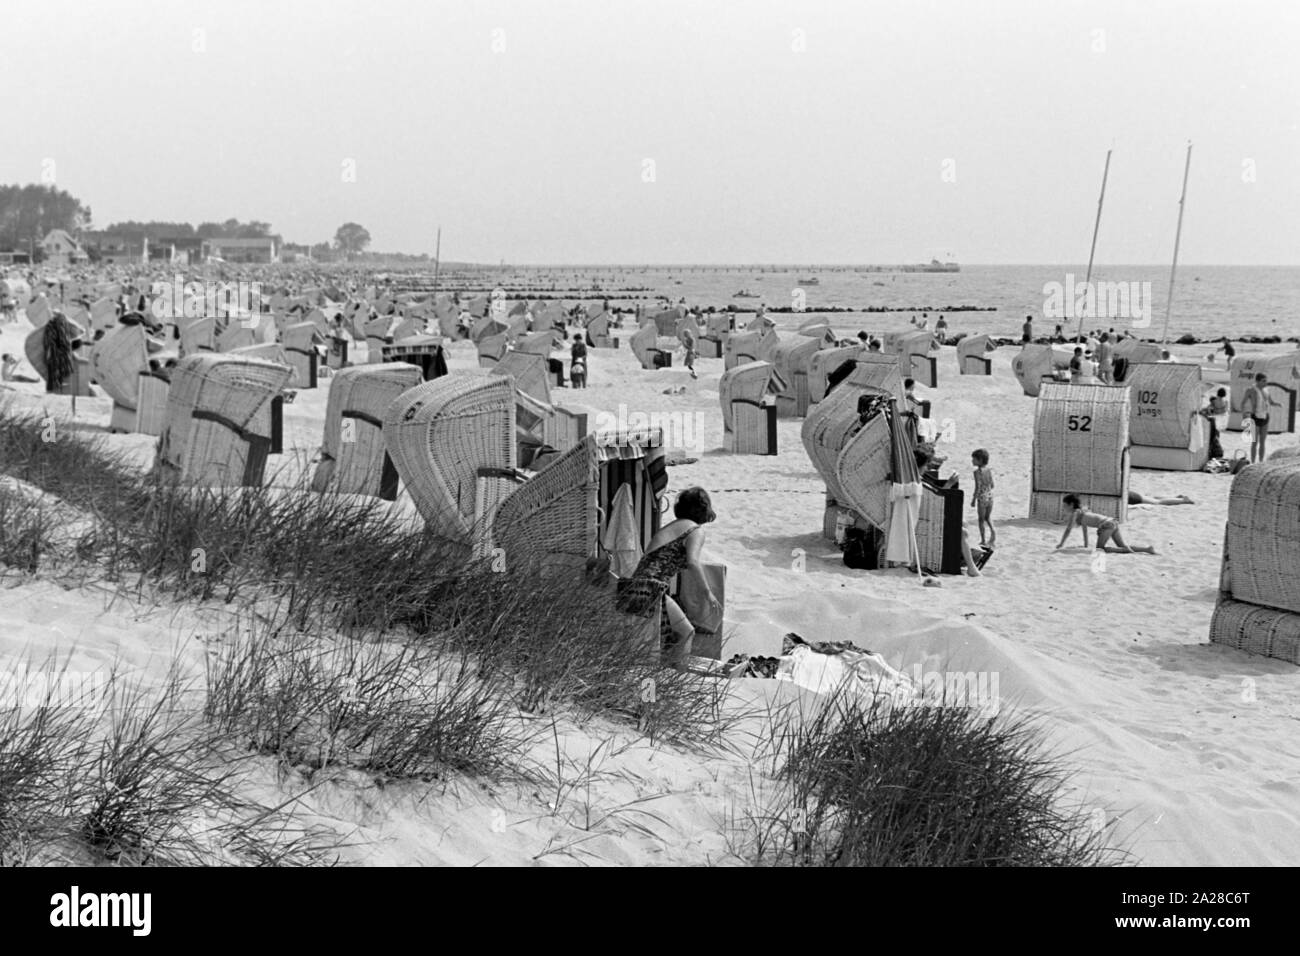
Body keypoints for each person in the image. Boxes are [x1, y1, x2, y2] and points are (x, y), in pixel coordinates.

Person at [614, 487, 723, 668]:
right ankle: (654, 692)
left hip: (635, 588)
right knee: (649, 657)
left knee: (685, 632)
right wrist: (707, 593)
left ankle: (674, 679)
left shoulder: (673, 526)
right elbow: (693, 562)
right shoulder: (695, 530)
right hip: (650, 591)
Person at [1056, 494, 1157, 554]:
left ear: (1071, 505)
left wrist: (1061, 543)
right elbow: (1085, 529)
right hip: (1112, 522)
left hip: (1106, 525)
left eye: (1064, 506)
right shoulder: (1082, 512)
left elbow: (1068, 530)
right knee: (1120, 545)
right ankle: (1147, 549)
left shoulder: (1075, 513)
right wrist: (1085, 545)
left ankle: (1127, 550)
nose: (1063, 508)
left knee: (1100, 549)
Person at [1242, 372, 1281, 462]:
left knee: (1263, 442)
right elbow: (1243, 403)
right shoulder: (1251, 390)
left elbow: (1270, 402)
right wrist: (1244, 415)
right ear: (1258, 381)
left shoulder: (1266, 390)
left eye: (1266, 381)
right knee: (1254, 442)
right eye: (1263, 381)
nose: (1265, 383)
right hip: (1255, 417)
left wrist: (1277, 404)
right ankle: (1252, 462)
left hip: (1265, 416)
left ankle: (1260, 461)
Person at [972, 448, 996, 549]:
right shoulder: (989, 471)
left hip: (982, 498)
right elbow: (992, 484)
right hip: (990, 496)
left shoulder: (977, 472)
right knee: (988, 517)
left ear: (980, 460)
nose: (972, 461)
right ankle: (993, 531)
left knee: (981, 520)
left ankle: (983, 540)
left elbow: (977, 487)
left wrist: (973, 499)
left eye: (974, 459)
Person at [1128, 491, 1194, 506]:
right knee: (1152, 498)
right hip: (1130, 493)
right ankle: (1174, 498)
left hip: (1131, 497)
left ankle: (1183, 500)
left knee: (1157, 502)